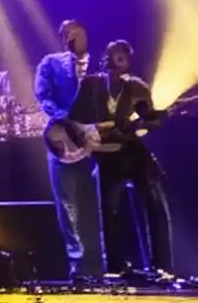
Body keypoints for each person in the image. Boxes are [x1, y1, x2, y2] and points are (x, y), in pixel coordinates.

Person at [93, 40, 173, 279]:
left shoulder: (136, 87)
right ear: (104, 59)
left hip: (132, 151)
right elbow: (82, 118)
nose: (117, 62)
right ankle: (116, 267)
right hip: (107, 155)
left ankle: (162, 267)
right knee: (110, 210)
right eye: (113, 56)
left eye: (122, 58)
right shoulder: (93, 87)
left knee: (155, 204)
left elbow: (152, 119)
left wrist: (141, 123)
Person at [35, 19, 106, 283]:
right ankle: (78, 265)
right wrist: (68, 120)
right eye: (67, 33)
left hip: (95, 141)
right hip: (64, 139)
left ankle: (100, 265)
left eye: (77, 32)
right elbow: (43, 95)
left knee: (96, 202)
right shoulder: (51, 63)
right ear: (62, 37)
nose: (73, 36)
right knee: (67, 204)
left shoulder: (101, 63)